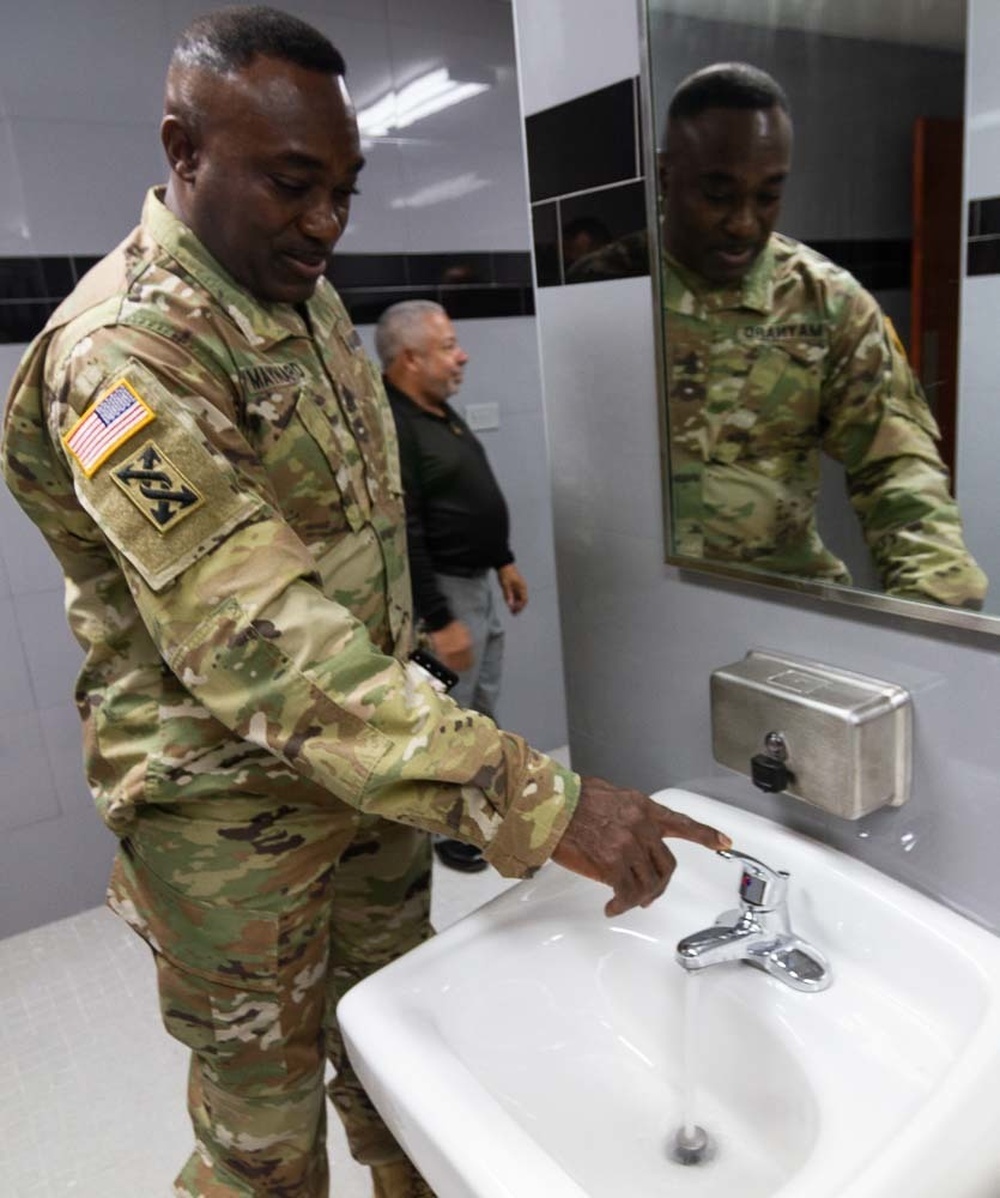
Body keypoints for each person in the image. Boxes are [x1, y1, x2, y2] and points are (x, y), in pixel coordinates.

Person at [0, 8, 729, 1197]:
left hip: (364, 788)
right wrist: (536, 799)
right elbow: (260, 643)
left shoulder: (303, 305)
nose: (327, 223)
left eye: (345, 186)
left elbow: (359, 560)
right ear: (184, 150)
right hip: (229, 820)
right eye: (294, 184)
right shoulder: (127, 353)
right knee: (265, 1146)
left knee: (403, 1071)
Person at [656, 61, 987, 608]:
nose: (743, 223)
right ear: (667, 176)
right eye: (717, 195)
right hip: (641, 605)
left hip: (788, 606)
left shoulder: (826, 302)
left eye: (767, 195)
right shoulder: (614, 287)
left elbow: (896, 466)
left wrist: (936, 608)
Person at [376, 300, 524, 873]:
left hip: (479, 582)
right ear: (410, 358)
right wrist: (439, 619)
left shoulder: (438, 411)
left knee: (481, 706)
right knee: (448, 718)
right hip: (443, 593)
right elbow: (404, 528)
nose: (461, 355)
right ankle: (449, 831)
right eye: (447, 346)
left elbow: (469, 492)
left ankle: (481, 810)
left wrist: (504, 560)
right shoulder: (396, 425)